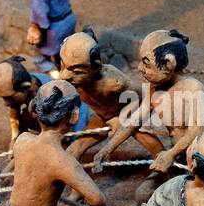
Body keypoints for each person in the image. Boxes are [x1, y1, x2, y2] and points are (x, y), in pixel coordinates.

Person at [92, 29, 204, 206]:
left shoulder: (193, 89)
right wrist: (107, 148)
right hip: (176, 156)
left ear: (169, 63)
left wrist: (170, 154)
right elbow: (135, 120)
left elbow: (196, 131)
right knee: (143, 194)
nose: (139, 69)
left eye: (146, 64)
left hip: (201, 158)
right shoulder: (153, 86)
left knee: (191, 203)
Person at [58, 28, 165, 165]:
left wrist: (121, 119)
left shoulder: (113, 83)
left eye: (77, 72)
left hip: (129, 116)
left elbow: (143, 99)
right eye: (62, 66)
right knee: (73, 150)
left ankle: (169, 174)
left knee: (160, 154)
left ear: (95, 67)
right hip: (103, 116)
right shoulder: (71, 82)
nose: (63, 76)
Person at [0, 55, 93, 148]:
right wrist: (14, 138)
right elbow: (14, 114)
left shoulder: (47, 90)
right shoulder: (22, 87)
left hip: (75, 115)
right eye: (4, 98)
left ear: (26, 87)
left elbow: (72, 110)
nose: (5, 103)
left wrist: (70, 138)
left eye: (10, 97)